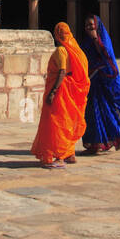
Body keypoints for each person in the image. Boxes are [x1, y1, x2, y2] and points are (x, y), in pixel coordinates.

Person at [31, 22, 90, 169]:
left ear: (57, 34)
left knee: (56, 122)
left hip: (61, 89)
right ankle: (70, 153)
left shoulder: (61, 51)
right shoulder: (76, 50)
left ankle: (59, 156)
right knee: (68, 120)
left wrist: (53, 92)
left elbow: (62, 71)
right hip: (71, 88)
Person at [81, 14, 120, 154]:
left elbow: (106, 56)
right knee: (91, 115)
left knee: (105, 112)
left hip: (102, 83)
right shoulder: (86, 42)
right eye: (87, 26)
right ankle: (94, 144)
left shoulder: (102, 39)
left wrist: (95, 38)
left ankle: (116, 136)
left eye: (92, 25)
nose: (89, 28)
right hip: (91, 82)